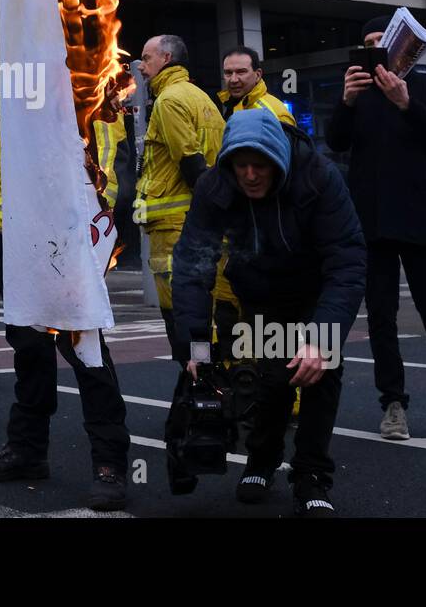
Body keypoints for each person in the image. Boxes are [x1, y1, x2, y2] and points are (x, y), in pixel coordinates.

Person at [172, 108, 366, 516]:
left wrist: (322, 338)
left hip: (315, 291)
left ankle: (311, 475)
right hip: (261, 291)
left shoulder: (319, 177)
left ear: (277, 160)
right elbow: (192, 267)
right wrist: (196, 347)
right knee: (274, 376)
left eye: (259, 165)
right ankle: (262, 459)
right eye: (241, 165)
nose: (250, 175)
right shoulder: (215, 185)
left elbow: (347, 262)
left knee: (320, 372)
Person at [325, 15, 426, 444]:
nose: (376, 48)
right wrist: (346, 101)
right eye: (369, 43)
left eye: (382, 41)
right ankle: (393, 404)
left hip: (421, 219)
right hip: (371, 222)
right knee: (381, 318)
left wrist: (406, 102)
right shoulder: (357, 93)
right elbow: (335, 141)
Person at [0, 117, 131, 511]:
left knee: (87, 355)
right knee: (29, 351)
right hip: (21, 244)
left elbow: (108, 169)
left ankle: (109, 465)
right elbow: (5, 176)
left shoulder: (81, 90)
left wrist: (93, 236)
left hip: (70, 246)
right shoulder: (17, 106)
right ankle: (27, 450)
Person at [135, 34, 224, 362]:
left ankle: (201, 387)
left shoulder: (169, 100)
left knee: (183, 321)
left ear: (167, 59)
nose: (142, 67)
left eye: (146, 58)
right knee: (203, 313)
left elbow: (190, 162)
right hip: (196, 225)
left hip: (176, 230)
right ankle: (208, 388)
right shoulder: (203, 99)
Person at [213, 47, 295, 361]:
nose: (233, 79)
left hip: (266, 233)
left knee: (271, 324)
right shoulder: (230, 110)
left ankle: (288, 403)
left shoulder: (271, 110)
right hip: (235, 233)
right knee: (232, 319)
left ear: (257, 74)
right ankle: (245, 396)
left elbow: (290, 173)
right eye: (228, 73)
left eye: (241, 72)